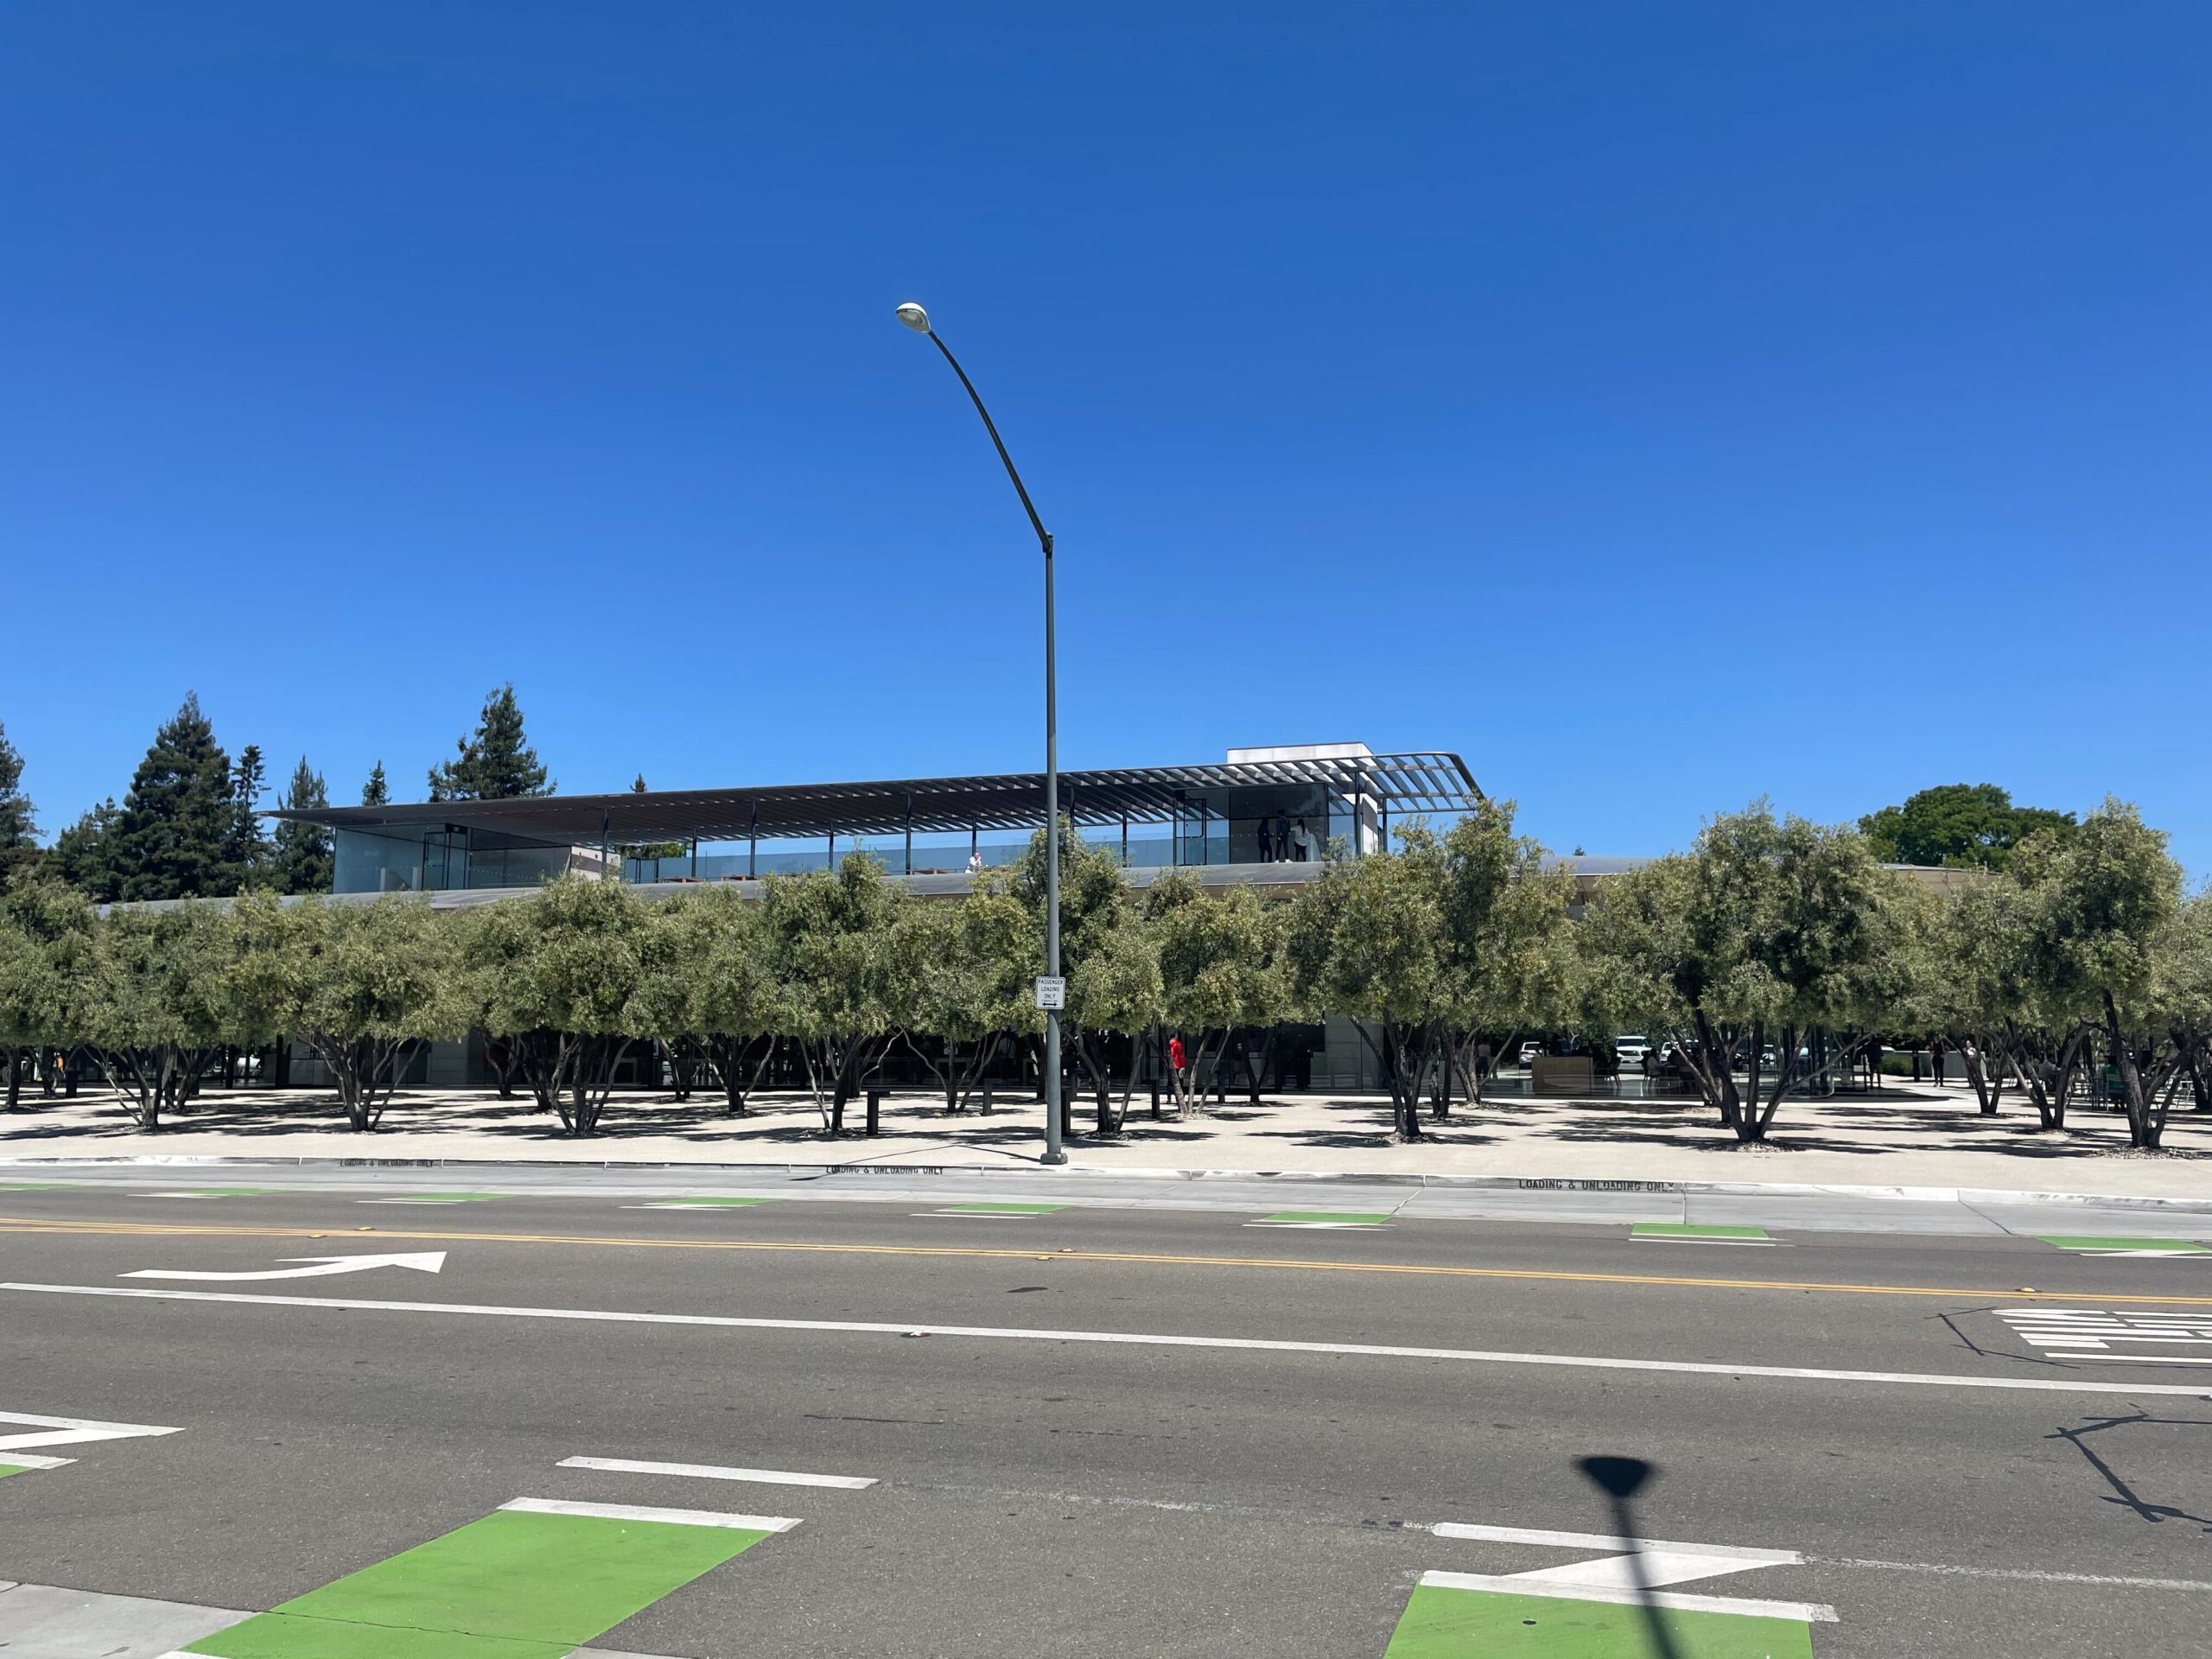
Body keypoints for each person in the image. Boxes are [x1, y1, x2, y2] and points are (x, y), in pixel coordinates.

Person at [1167, 1033, 1187, 1104]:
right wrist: (1183, 1065)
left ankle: (1169, 1098)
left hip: (1170, 1066)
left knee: (1169, 1083)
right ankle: (1180, 1099)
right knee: (1180, 1083)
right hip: (1178, 1065)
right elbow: (1181, 1056)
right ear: (1175, 1036)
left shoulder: (1168, 1045)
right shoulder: (1178, 1044)